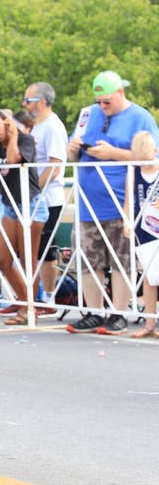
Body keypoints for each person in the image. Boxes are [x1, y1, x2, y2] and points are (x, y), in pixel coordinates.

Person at [66, 70, 159, 335]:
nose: (102, 107)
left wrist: (113, 153)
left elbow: (151, 156)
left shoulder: (141, 117)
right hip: (88, 202)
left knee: (121, 259)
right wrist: (73, 149)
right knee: (88, 259)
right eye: (98, 102)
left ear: (120, 93)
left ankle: (119, 313)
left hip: (122, 200)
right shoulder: (88, 115)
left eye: (107, 101)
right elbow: (70, 153)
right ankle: (93, 312)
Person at [0, 109, 49, 325]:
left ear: (6, 123)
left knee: (28, 258)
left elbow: (13, 159)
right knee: (3, 259)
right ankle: (27, 303)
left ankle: (29, 307)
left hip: (31, 203)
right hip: (9, 204)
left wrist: (14, 134)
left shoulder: (25, 139)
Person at [22, 81, 68, 315]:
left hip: (48, 198)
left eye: (28, 100)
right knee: (33, 248)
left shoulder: (53, 126)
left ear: (41, 101)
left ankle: (48, 298)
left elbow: (55, 165)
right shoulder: (37, 126)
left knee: (45, 248)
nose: (24, 104)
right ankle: (35, 296)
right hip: (36, 197)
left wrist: (33, 190)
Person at [124, 131, 159, 338]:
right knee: (148, 277)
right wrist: (127, 221)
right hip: (144, 228)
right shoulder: (133, 171)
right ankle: (149, 323)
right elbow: (129, 200)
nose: (144, 166)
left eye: (148, 161)